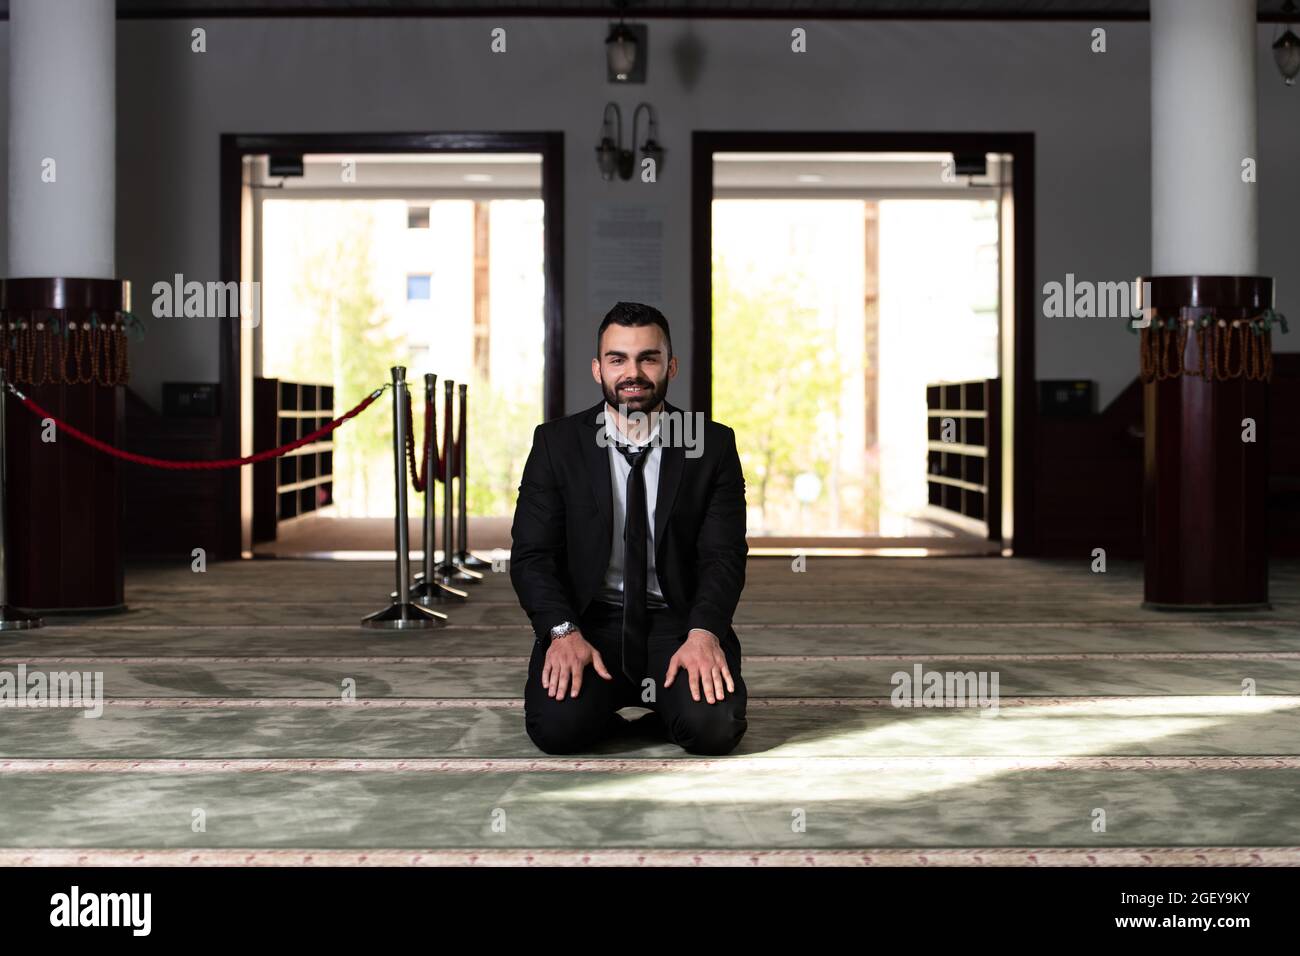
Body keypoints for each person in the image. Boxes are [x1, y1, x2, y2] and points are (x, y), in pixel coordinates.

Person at [510, 301, 749, 755]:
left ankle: (667, 704)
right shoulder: (556, 444)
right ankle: (615, 707)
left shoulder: (712, 445)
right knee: (557, 730)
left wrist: (704, 635)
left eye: (648, 358)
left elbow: (723, 556)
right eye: (618, 359)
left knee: (713, 731)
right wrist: (561, 632)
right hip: (588, 623)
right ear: (598, 369)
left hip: (677, 624)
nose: (632, 372)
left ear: (670, 366)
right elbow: (531, 556)